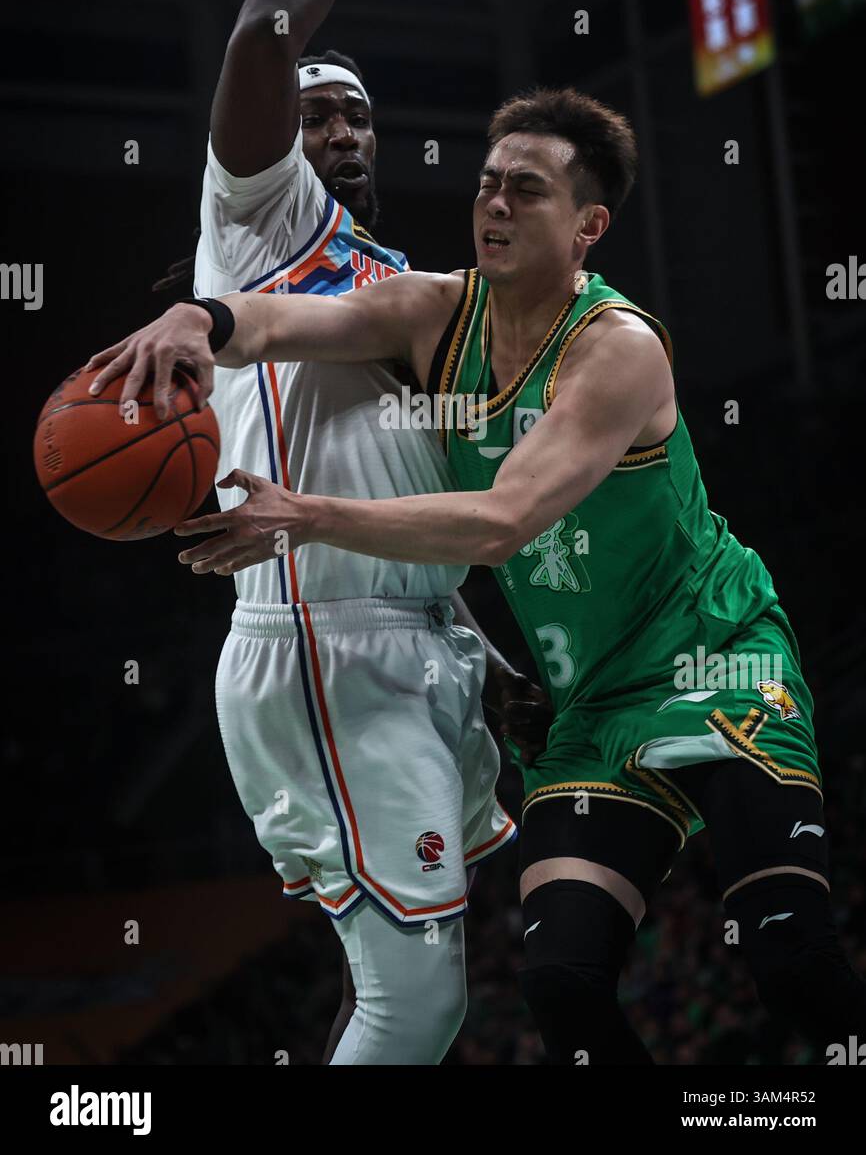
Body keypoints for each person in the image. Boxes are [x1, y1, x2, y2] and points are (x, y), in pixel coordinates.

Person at [91, 85, 866, 1065]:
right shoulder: (434, 311)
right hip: (591, 706)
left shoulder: (615, 352)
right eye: (488, 183)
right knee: (560, 981)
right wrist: (199, 316)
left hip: (713, 663)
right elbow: (283, 321)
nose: (494, 205)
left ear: (587, 225)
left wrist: (309, 513)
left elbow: (499, 523)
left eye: (527, 191)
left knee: (790, 959)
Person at [92, 0, 546, 1068]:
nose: (341, 133)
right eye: (316, 116)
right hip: (325, 647)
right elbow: (258, 36)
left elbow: (416, 474)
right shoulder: (256, 233)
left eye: (357, 119)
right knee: (418, 1007)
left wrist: (474, 637)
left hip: (416, 643)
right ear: (274, 149)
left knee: (426, 993)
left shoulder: (398, 277)